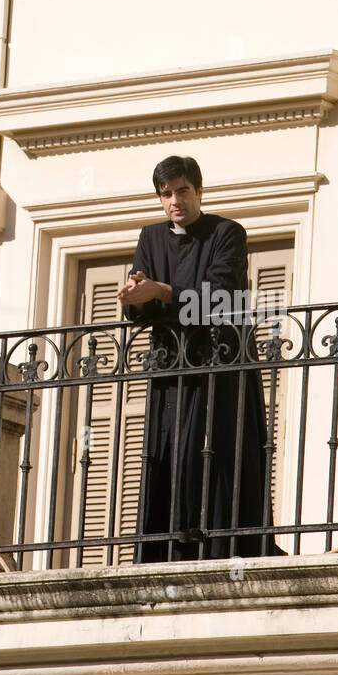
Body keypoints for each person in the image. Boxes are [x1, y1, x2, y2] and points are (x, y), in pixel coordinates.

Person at [117, 155, 276, 561]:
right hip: (171, 369)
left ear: (199, 192)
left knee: (220, 455)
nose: (175, 201)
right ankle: (164, 551)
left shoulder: (227, 233)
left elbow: (218, 295)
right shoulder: (150, 238)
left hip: (221, 367)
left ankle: (226, 550)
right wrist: (134, 296)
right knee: (169, 455)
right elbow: (144, 309)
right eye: (166, 194)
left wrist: (161, 292)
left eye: (183, 191)